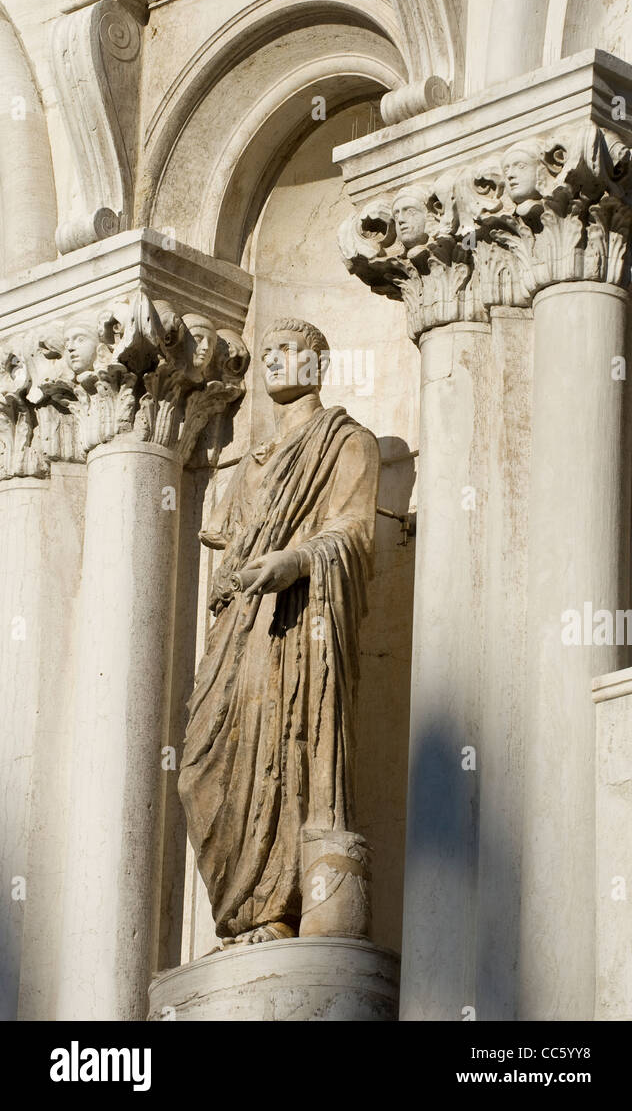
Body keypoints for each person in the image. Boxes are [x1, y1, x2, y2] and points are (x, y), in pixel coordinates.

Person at [178, 316, 380, 945]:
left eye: (289, 352)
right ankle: (238, 911)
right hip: (240, 629)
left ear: (318, 365)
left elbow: (352, 535)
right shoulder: (257, 456)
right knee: (198, 767)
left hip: (298, 629)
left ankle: (275, 908)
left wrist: (297, 561)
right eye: (267, 353)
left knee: (285, 748)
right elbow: (230, 539)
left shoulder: (347, 442)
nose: (273, 362)